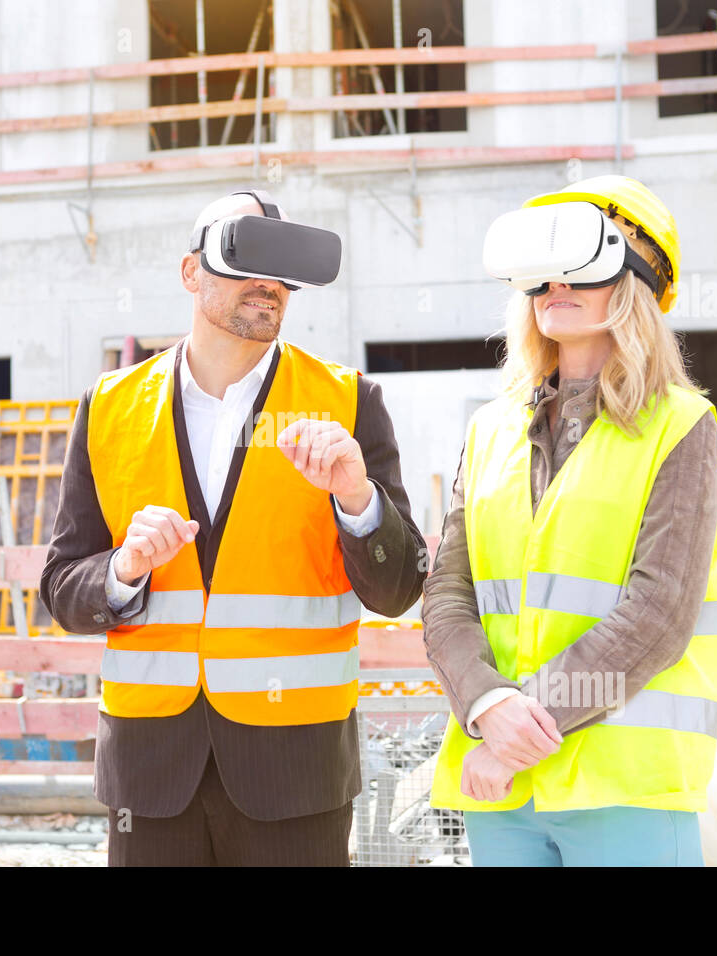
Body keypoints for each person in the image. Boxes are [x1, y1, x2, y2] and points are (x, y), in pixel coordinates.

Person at [40, 188, 427, 866]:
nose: (267, 286)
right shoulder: (108, 409)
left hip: (296, 774)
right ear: (191, 273)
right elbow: (61, 587)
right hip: (151, 778)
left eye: (281, 272)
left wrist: (358, 498)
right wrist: (123, 569)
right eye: (245, 261)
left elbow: (399, 590)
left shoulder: (348, 402)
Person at [422, 175, 717, 866]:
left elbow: (659, 610)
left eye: (581, 266)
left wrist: (518, 732)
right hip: (501, 788)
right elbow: (447, 594)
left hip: (623, 791)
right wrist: (485, 708)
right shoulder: (490, 428)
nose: (556, 284)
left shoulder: (680, 425)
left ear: (637, 279)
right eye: (542, 272)